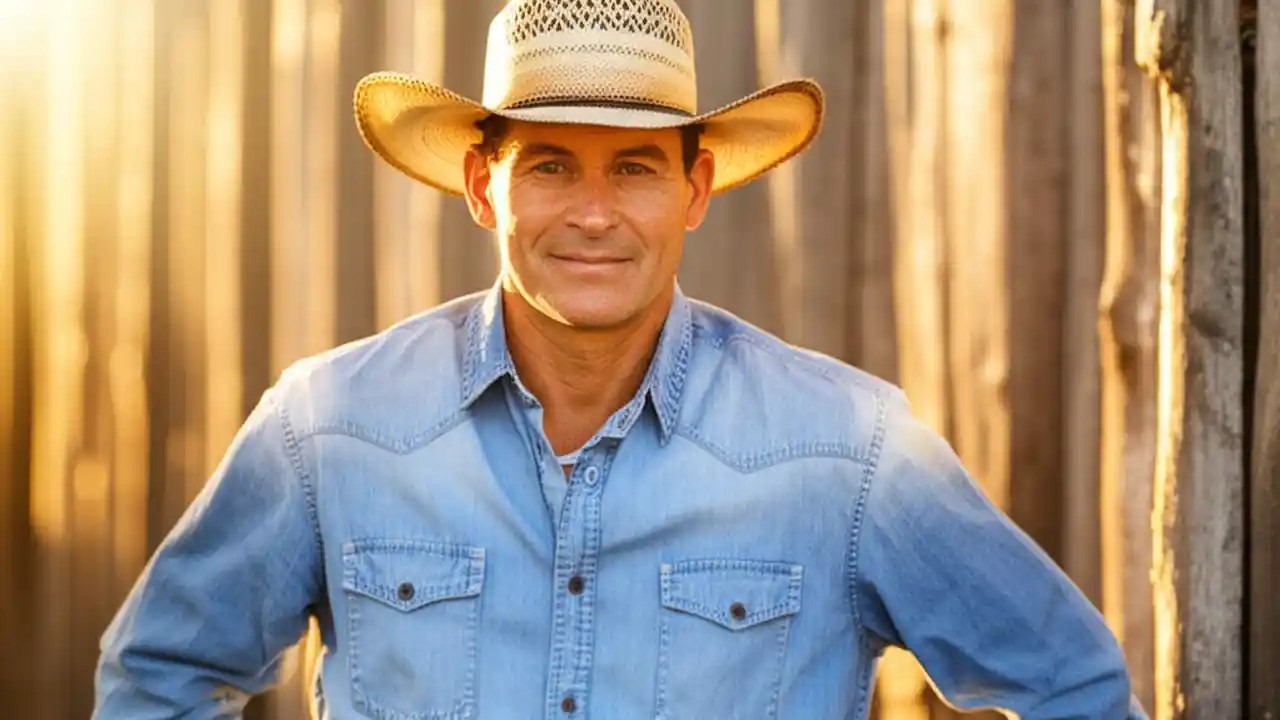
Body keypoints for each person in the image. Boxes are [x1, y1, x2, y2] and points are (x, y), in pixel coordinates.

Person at [94, 1, 1147, 718]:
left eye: (634, 168)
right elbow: (157, 676)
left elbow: (1073, 686)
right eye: (549, 165)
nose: (593, 216)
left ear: (693, 192)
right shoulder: (328, 430)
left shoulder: (850, 450)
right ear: (480, 186)